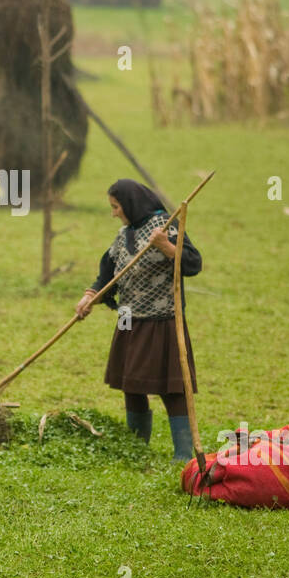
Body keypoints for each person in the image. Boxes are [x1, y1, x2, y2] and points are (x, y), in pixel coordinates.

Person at [75, 179, 202, 461]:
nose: (114, 213)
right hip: (128, 321)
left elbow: (193, 264)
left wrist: (166, 246)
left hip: (162, 320)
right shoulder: (124, 235)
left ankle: (183, 454)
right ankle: (136, 450)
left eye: (116, 207)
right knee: (130, 384)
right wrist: (90, 296)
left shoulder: (165, 225)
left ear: (130, 203)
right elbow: (107, 274)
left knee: (172, 387)